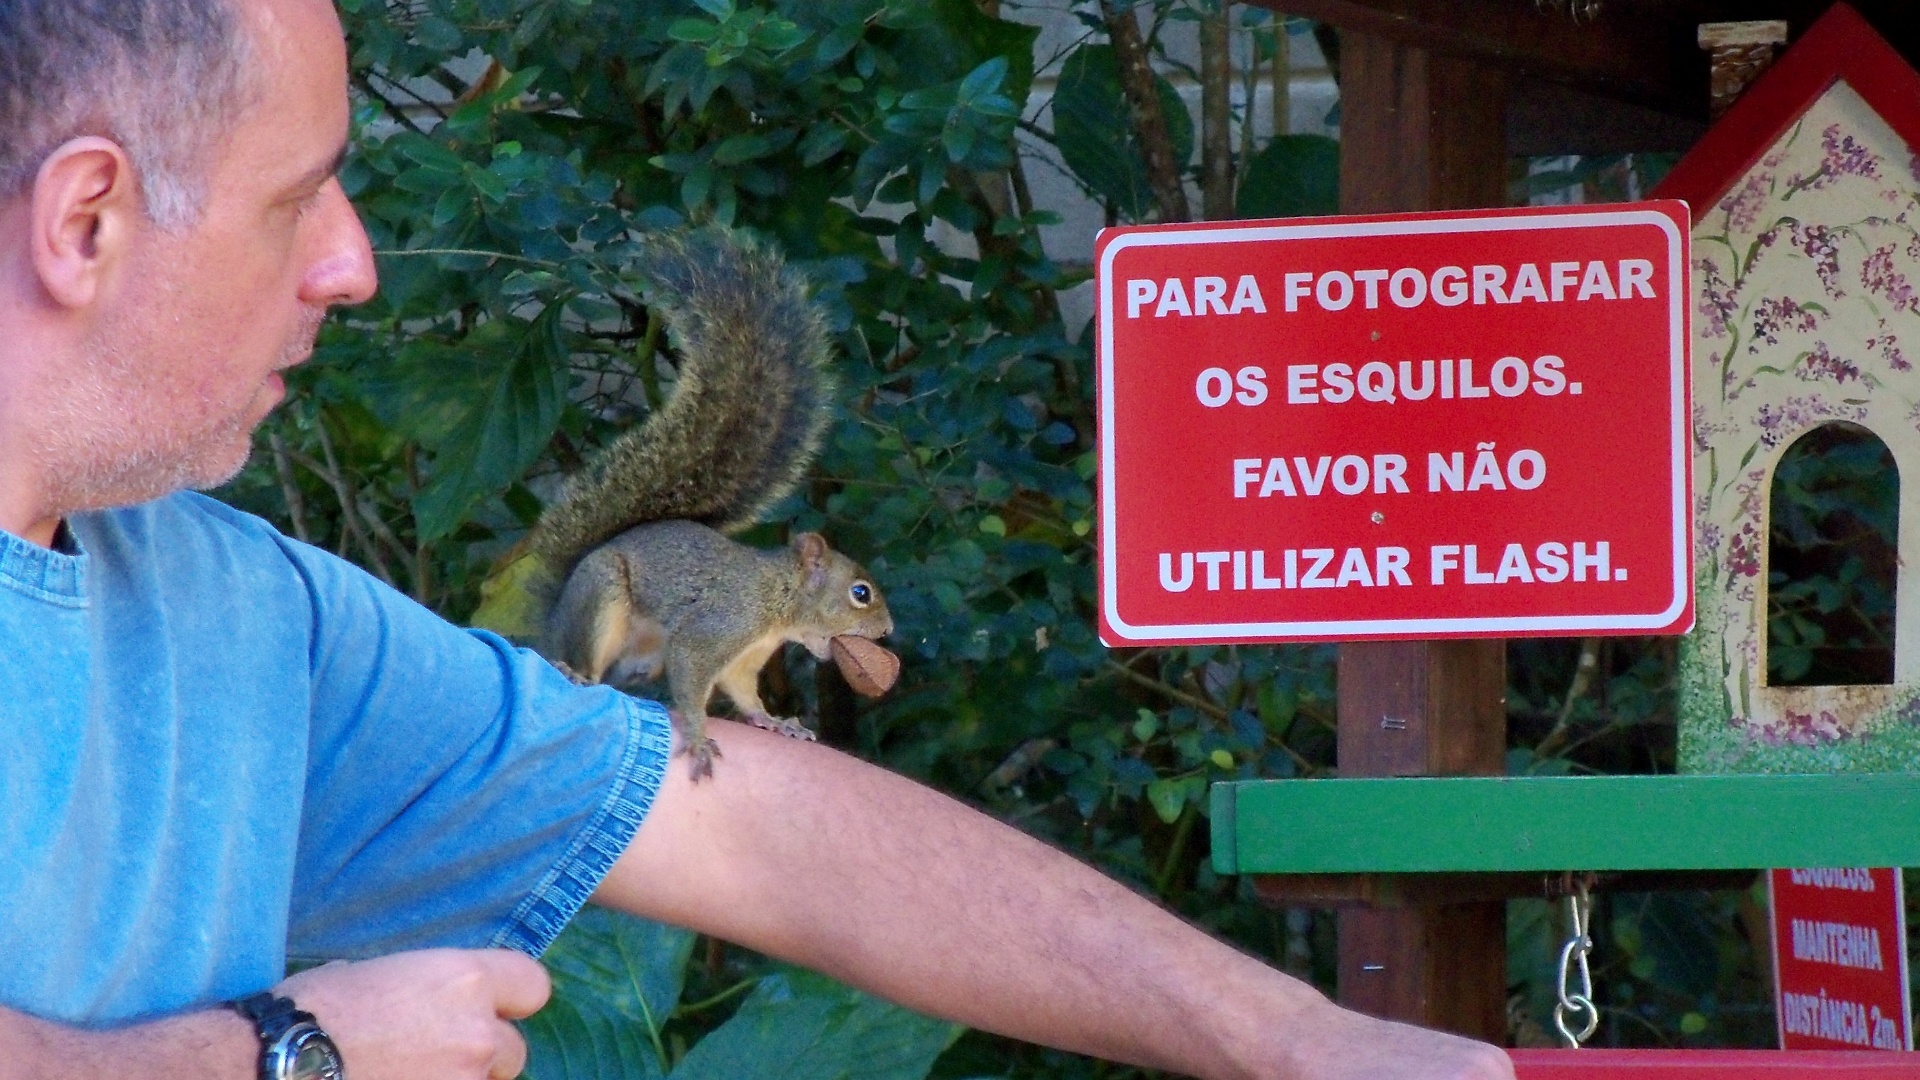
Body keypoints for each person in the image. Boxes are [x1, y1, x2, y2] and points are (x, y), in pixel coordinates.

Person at [0, 1, 1516, 1078]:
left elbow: (761, 830)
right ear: (87, 222)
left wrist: (1303, 1042)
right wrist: (290, 1055)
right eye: (295, 198)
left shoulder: (239, 612)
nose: (356, 263)